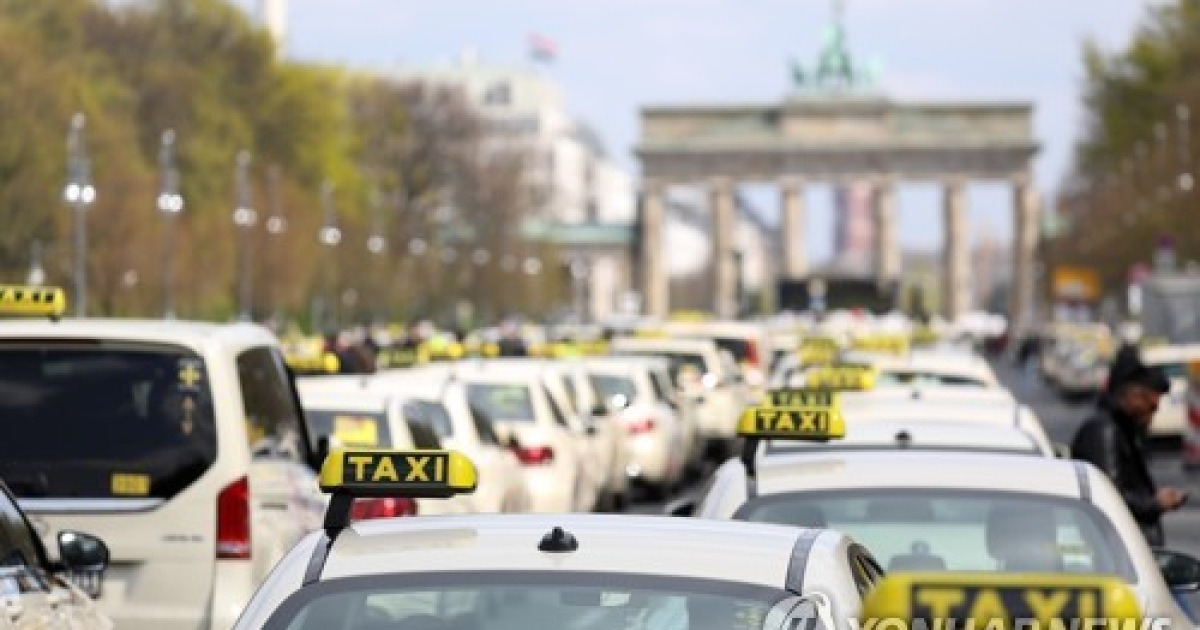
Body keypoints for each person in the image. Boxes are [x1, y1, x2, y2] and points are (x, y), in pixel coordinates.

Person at [1072, 348, 1185, 547]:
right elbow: (1109, 495)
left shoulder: (1123, 429)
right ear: (1133, 395)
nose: (1151, 417)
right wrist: (1155, 504)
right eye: (1150, 407)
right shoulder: (1104, 430)